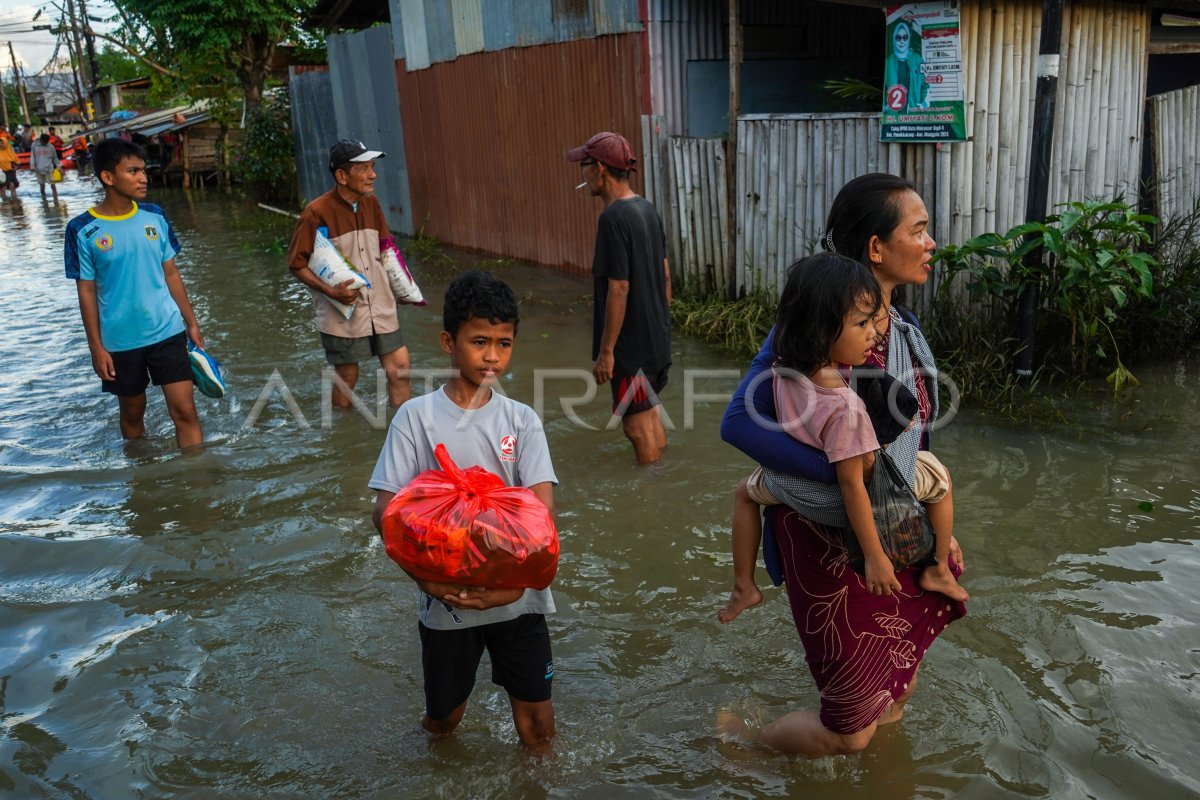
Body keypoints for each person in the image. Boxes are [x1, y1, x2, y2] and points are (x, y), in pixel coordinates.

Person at [717, 173, 967, 757]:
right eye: (919, 230)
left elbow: (916, 434)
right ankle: (743, 743)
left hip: (894, 527)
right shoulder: (818, 324)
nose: (931, 243)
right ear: (876, 247)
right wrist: (854, 475)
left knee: (896, 688)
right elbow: (737, 422)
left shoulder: (903, 328)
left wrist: (920, 515)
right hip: (828, 532)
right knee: (850, 730)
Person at [718, 251, 967, 627]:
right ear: (822, 331)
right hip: (831, 502)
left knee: (743, 491)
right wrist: (874, 556)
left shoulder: (783, 371)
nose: (874, 333)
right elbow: (852, 487)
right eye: (862, 323)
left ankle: (743, 586)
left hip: (788, 486)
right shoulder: (846, 408)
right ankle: (938, 571)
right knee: (939, 477)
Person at [369, 270, 558, 751]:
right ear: (448, 342)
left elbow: (541, 517)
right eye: (479, 342)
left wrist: (515, 587)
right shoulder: (416, 418)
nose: (492, 356)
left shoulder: (522, 420)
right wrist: (426, 583)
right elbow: (386, 513)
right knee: (444, 720)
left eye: (503, 343)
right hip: (447, 601)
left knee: (538, 726)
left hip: (518, 601)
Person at [63, 138, 205, 449]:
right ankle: (141, 469)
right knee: (132, 413)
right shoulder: (81, 229)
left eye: (143, 170)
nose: (143, 178)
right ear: (108, 177)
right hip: (120, 340)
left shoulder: (155, 216)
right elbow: (86, 290)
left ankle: (198, 475)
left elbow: (171, 273)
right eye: (133, 171)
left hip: (167, 330)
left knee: (185, 411)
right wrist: (96, 347)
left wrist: (191, 322)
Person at [567, 131, 672, 463]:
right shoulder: (647, 209)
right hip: (656, 340)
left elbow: (619, 288)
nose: (583, 173)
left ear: (599, 168)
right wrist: (660, 325)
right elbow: (665, 275)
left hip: (631, 347)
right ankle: (664, 472)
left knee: (636, 427)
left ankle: (653, 488)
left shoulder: (612, 219)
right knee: (649, 414)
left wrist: (607, 352)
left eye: (584, 165)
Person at [286, 138, 411, 409]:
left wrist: (403, 288)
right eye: (364, 169)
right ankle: (341, 427)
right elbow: (296, 264)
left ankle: (403, 426)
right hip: (342, 310)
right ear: (342, 176)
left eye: (372, 167)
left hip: (380, 305)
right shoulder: (315, 213)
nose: (373, 175)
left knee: (400, 368)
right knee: (347, 376)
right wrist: (332, 291)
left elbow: (385, 249)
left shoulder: (371, 203)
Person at [884, 19, 929, 112]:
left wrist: (924, 103)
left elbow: (926, 83)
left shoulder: (918, 60)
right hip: (893, 116)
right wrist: (885, 107)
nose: (902, 41)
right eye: (898, 37)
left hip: (913, 114)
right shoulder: (888, 62)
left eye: (905, 37)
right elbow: (883, 88)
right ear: (893, 39)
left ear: (909, 39)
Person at [30, 133, 61, 202]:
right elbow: (32, 156)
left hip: (49, 169)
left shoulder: (51, 147)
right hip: (39, 169)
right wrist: (32, 166)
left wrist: (59, 167)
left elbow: (55, 158)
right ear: (40, 140)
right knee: (42, 186)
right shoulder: (34, 145)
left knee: (53, 185)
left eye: (46, 143)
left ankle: (56, 200)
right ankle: (44, 200)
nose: (45, 144)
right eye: (43, 142)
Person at [0, 135, 19, 201]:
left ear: (5, 143)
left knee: (12, 186)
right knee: (3, 188)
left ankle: (15, 201)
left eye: (2, 143)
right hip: (1, 173)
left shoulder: (10, 151)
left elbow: (16, 161)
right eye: (0, 143)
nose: (0, 144)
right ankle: (4, 201)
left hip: (10, 172)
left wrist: (16, 167)